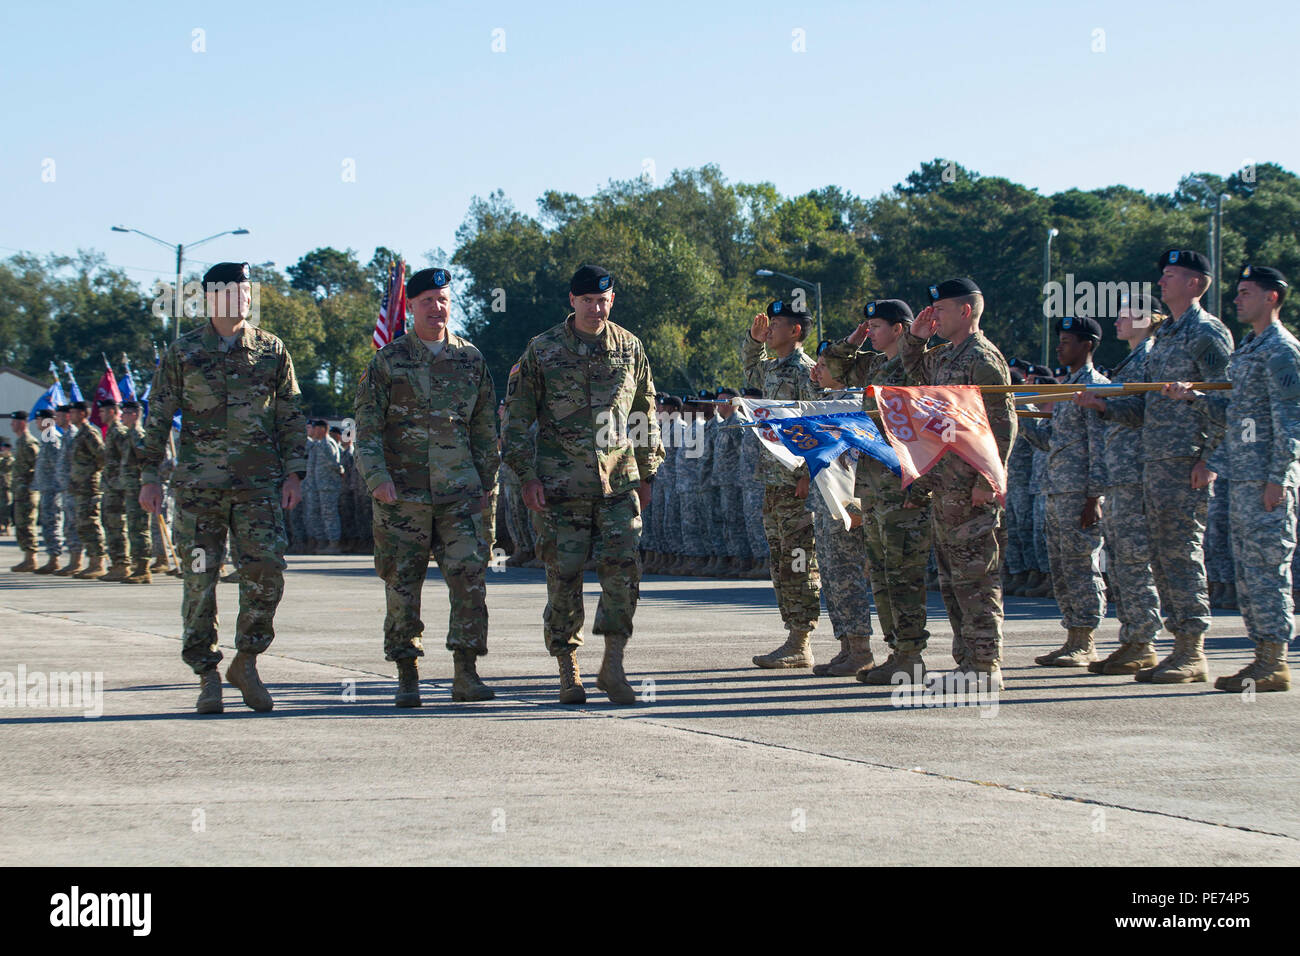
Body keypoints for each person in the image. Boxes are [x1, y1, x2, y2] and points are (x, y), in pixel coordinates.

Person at [139, 261, 307, 715]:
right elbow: (157, 417)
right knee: (200, 580)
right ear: (213, 296)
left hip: (259, 488)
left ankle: (246, 660)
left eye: (249, 290)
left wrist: (295, 473)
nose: (246, 297)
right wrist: (149, 475)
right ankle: (207, 675)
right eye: (236, 290)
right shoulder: (184, 352)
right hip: (199, 489)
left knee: (267, 571)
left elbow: (290, 416)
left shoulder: (271, 350)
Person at [502, 264, 662, 704]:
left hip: (617, 485)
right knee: (564, 577)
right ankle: (567, 668)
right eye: (588, 300)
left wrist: (647, 473)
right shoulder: (543, 349)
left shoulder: (630, 347)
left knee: (623, 574)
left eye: (604, 301)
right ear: (572, 301)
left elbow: (645, 414)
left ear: (613, 301)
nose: (596, 308)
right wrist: (526, 475)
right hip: (559, 486)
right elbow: (517, 420)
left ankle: (613, 664)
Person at [1075, 250, 1233, 684]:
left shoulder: (1207, 333)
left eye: (1170, 276)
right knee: (1162, 558)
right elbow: (1145, 409)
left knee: (1181, 555)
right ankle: (1166, 644)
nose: (1161, 283)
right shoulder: (1164, 340)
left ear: (1195, 284)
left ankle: (1191, 649)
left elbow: (1233, 403)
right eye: (1161, 275)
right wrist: (1105, 407)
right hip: (1153, 463)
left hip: (1186, 463)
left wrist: (1210, 458)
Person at [354, 266, 499, 706]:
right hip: (403, 498)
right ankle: (407, 673)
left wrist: (487, 481)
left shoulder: (470, 359)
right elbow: (368, 430)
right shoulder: (388, 361)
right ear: (412, 307)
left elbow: (484, 427)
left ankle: (466, 672)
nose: (437, 308)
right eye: (427, 301)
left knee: (470, 580)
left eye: (443, 300)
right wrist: (377, 479)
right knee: (402, 584)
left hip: (460, 496)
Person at [1166, 265, 1297, 692]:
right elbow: (1240, 417)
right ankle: (1262, 658)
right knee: (1249, 572)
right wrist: (1196, 397)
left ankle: (1275, 662)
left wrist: (1279, 477)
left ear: (1271, 298)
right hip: (1243, 476)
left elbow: (1291, 421)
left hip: (1265, 479)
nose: (1237, 299)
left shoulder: (1281, 350)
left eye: (1246, 292)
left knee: (1268, 570)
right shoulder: (1248, 349)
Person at [899, 278, 1017, 689]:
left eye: (941, 310)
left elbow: (1002, 423)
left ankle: (986, 665)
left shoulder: (983, 359)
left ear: (965, 311)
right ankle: (967, 661)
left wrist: (988, 479)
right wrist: (916, 337)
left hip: (971, 488)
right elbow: (911, 375)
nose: (934, 316)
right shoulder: (946, 356)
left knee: (977, 579)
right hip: (946, 488)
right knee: (951, 581)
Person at [823, 299, 935, 683]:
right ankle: (897, 652)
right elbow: (833, 371)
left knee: (904, 574)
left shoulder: (918, 363)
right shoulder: (871, 364)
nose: (870, 332)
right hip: (873, 486)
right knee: (884, 575)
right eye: (866, 325)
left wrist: (918, 487)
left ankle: (911, 654)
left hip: (903, 484)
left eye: (876, 326)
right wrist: (853, 338)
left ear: (900, 330)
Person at [1018, 317, 1109, 665]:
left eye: (1068, 341)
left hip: (1080, 494)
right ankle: (1072, 635)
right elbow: (1049, 441)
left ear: (1087, 345)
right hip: (1056, 490)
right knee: (1061, 567)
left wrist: (1094, 497)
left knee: (1082, 565)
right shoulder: (1066, 387)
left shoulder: (1095, 387)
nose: (1060, 346)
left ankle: (1086, 639)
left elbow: (1100, 447)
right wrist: (1023, 415)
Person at [742, 299, 824, 667]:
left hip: (797, 482)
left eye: (777, 324)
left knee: (798, 560)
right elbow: (750, 372)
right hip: (774, 480)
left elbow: (818, 426)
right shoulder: (773, 367)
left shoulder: (807, 371)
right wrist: (754, 341)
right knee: (780, 559)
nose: (770, 328)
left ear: (795, 331)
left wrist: (809, 474)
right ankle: (792, 635)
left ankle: (801, 639)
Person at [1089, 296, 1166, 674]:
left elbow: (1143, 411)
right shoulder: (1130, 361)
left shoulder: (1149, 357)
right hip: (1120, 475)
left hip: (1136, 473)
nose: (1119, 321)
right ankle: (1133, 638)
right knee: (1120, 563)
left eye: (1128, 314)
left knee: (1136, 561)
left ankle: (1144, 641)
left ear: (1150, 320)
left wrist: (1104, 406)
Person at [805, 339, 877, 675]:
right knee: (832, 576)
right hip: (824, 500)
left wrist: (858, 507)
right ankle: (846, 646)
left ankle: (860, 647)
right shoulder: (821, 401)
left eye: (823, 364)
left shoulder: (854, 404)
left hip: (846, 500)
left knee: (847, 575)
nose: (816, 369)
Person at [118, 401, 153, 583]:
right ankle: (137, 565)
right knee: (133, 527)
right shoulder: (129, 434)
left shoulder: (138, 434)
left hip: (138, 487)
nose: (121, 417)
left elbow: (145, 459)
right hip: (130, 487)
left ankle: (143, 568)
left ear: (134, 415)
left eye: (124, 413)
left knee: (139, 527)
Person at [100, 399, 132, 581]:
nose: (101, 415)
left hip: (118, 487)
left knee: (116, 525)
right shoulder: (111, 432)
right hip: (111, 485)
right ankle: (117, 563)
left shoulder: (119, 432)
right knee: (110, 525)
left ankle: (122, 564)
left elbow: (126, 458)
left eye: (104, 411)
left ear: (113, 411)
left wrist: (121, 481)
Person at [32, 408, 64, 574]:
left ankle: (55, 558)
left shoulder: (52, 439)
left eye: (39, 419)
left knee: (52, 523)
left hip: (52, 490)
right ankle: (52, 557)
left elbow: (58, 465)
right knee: (47, 524)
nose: (37, 423)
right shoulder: (46, 439)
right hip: (46, 489)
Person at [8, 412, 40, 571]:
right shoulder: (20, 442)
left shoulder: (28, 443)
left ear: (22, 423)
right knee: (20, 524)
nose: (11, 425)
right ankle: (27, 557)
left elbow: (37, 466)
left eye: (14, 422)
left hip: (28, 492)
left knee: (27, 524)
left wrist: (31, 486)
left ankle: (31, 558)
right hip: (20, 492)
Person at [53, 404, 83, 576]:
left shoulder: (72, 435)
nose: (56, 419)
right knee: (69, 525)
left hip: (74, 488)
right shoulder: (65, 436)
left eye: (59, 415)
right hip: (66, 488)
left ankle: (76, 561)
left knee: (74, 524)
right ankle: (73, 560)